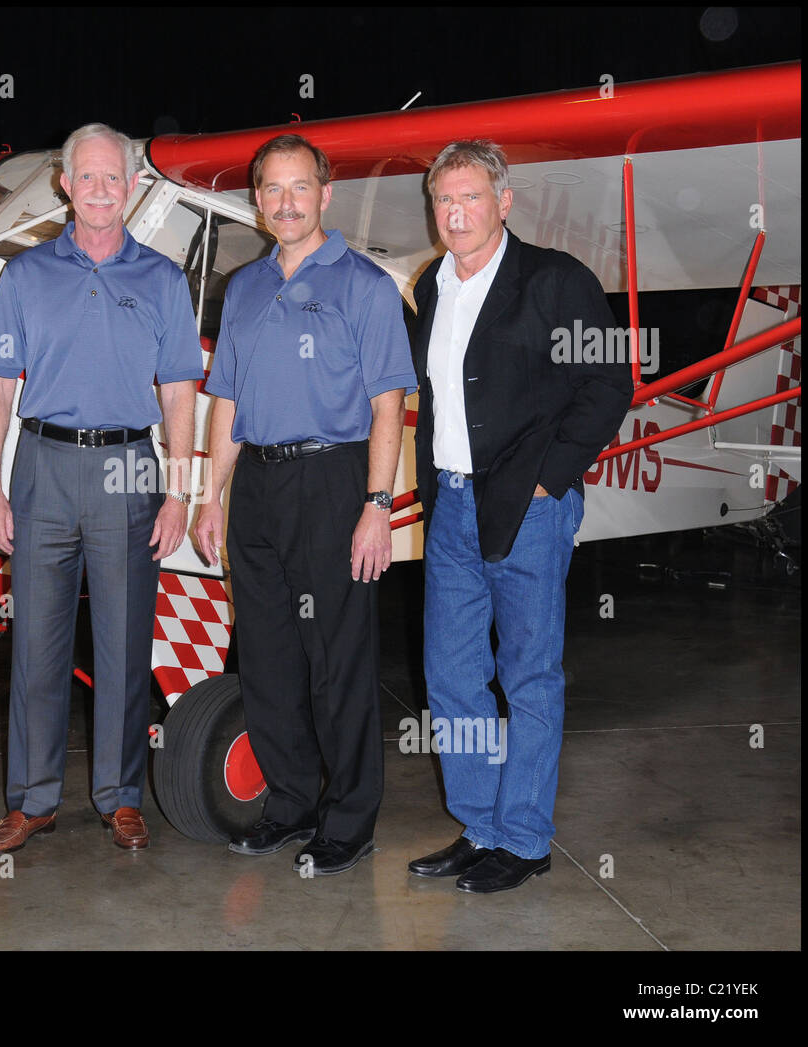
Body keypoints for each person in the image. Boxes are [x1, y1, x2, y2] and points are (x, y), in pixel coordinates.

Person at [406, 140, 633, 892]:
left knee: (529, 675)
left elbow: (609, 381)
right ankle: (480, 825)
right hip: (452, 505)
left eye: (471, 196)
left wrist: (549, 479)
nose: (456, 212)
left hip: (528, 508)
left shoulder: (556, 280)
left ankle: (527, 838)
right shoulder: (432, 285)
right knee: (453, 675)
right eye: (444, 199)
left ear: (505, 201)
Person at [0, 123, 202, 854]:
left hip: (129, 467)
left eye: (115, 178)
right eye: (89, 177)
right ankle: (33, 800)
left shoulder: (164, 281)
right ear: (65, 184)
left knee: (125, 641)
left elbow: (179, 393)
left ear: (130, 188)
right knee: (35, 642)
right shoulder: (24, 276)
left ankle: (120, 796)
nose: (102, 190)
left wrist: (179, 493)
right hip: (41, 463)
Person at [192, 134, 416, 876]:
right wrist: (210, 495)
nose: (285, 203)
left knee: (337, 662)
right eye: (271, 189)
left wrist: (376, 504)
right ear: (256, 200)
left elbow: (389, 406)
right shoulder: (246, 288)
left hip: (332, 483)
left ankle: (350, 820)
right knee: (267, 659)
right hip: (256, 485)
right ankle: (288, 806)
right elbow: (225, 398)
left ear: (325, 194)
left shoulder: (366, 286)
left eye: (300, 188)